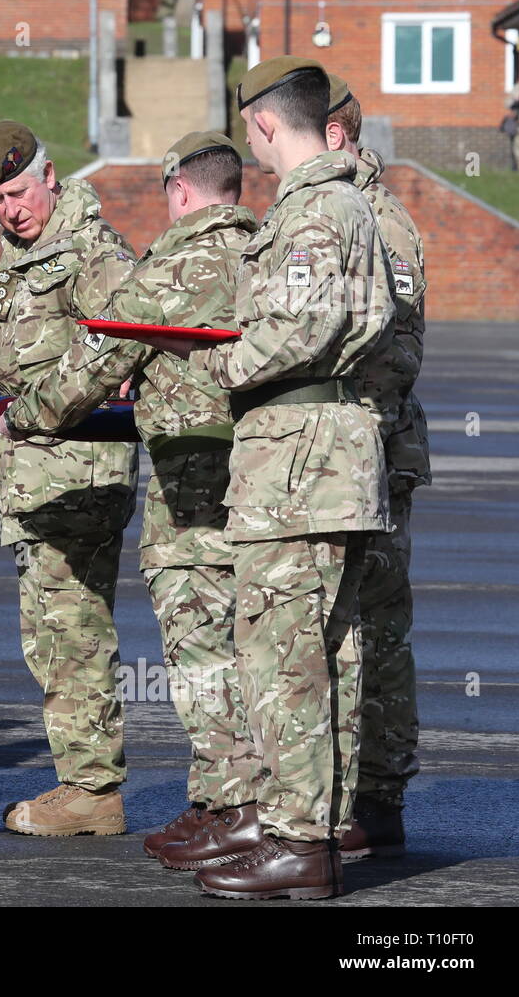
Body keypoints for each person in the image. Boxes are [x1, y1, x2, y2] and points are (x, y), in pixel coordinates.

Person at [144, 57, 394, 900]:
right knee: (325, 651)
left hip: (298, 456)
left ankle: (298, 840)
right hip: (326, 450)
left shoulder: (316, 207)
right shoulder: (348, 200)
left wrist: (213, 362)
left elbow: (303, 326)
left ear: (258, 124)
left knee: (283, 655)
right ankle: (310, 832)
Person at [3, 131, 261, 865]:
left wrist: (29, 413)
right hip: (277, 488)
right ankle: (290, 804)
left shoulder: (173, 264)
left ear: (179, 190)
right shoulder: (272, 255)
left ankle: (228, 806)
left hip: (192, 498)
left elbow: (96, 361)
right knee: (270, 654)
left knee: (202, 654)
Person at [0, 120, 139, 837]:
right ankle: (84, 781)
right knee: (52, 631)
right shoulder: (26, 253)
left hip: (78, 474)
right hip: (38, 474)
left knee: (72, 630)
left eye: (16, 191)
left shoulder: (89, 251)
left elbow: (122, 347)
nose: (9, 209)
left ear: (49, 175)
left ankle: (92, 790)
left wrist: (42, 408)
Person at [326, 74, 430, 861]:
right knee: (356, 625)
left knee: (375, 629)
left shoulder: (379, 223)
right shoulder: (337, 213)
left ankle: (378, 793)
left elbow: (392, 356)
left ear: (333, 135)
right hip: (348, 449)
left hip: (374, 451)